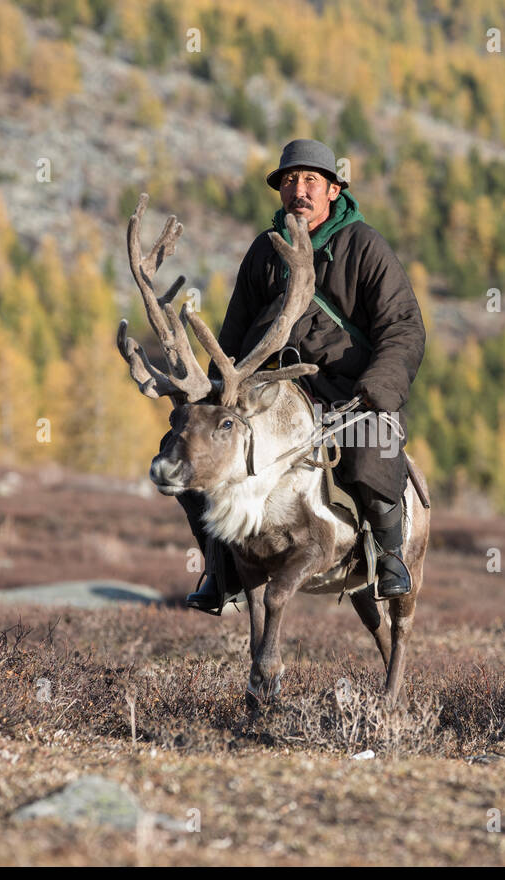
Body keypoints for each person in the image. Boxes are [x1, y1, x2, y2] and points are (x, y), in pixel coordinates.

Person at [177, 138, 426, 613]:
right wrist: (214, 395)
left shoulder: (364, 246)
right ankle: (221, 567)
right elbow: (230, 338)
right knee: (193, 460)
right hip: (267, 399)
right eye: (290, 180)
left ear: (333, 190)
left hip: (347, 397)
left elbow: (404, 327)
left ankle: (390, 557)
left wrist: (380, 386)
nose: (300, 190)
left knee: (374, 453)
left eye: (312, 180)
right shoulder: (263, 252)